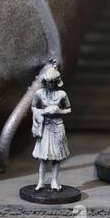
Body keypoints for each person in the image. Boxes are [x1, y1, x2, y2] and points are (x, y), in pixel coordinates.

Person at [31, 62, 72, 190]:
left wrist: (59, 111)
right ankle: (41, 182)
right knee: (43, 158)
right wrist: (42, 112)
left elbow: (69, 109)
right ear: (45, 81)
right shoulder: (39, 93)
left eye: (53, 82)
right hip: (45, 127)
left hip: (58, 127)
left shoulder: (62, 94)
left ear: (57, 82)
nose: (50, 85)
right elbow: (33, 107)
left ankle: (54, 181)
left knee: (56, 158)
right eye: (49, 82)